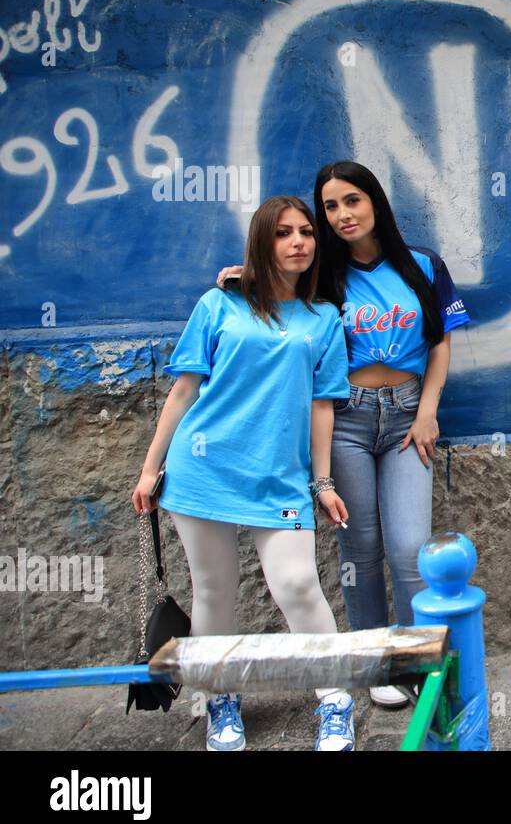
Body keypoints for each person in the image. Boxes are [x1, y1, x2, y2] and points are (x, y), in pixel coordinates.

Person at [218, 161, 469, 709]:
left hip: (408, 420)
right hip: (344, 419)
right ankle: (370, 663)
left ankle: (413, 659)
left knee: (409, 548)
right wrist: (246, 278)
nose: (341, 215)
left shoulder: (422, 265)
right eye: (329, 206)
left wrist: (428, 410)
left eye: (351, 200)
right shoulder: (322, 272)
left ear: (374, 201)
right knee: (360, 544)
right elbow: (279, 288)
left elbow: (442, 339)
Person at [133, 195, 356, 751]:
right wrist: (149, 468)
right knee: (212, 591)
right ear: (263, 241)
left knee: (299, 585)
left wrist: (323, 483)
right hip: (202, 469)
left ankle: (335, 699)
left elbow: (322, 404)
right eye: (284, 233)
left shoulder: (324, 319)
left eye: (307, 232)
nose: (300, 242)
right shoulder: (218, 304)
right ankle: (221, 698)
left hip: (279, 477)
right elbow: (184, 389)